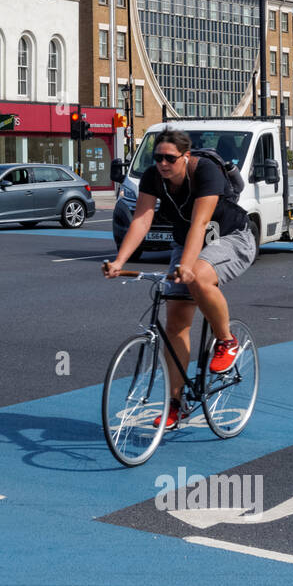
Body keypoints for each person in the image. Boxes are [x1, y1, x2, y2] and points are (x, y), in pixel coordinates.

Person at [104, 129, 256, 429]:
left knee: (197, 277)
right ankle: (176, 404)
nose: (162, 163)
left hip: (232, 238)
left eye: (169, 158)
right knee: (175, 324)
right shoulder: (153, 177)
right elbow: (142, 219)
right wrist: (120, 261)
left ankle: (227, 340)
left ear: (186, 157)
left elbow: (200, 224)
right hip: (186, 243)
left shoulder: (206, 172)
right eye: (157, 157)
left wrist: (186, 267)